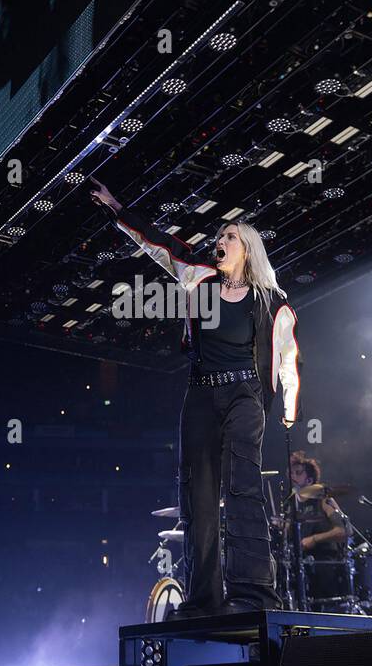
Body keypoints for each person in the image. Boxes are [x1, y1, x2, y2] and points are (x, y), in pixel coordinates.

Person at [90, 178, 300, 617]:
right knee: (198, 496)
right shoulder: (198, 279)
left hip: (245, 394)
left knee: (244, 487)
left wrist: (290, 408)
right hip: (202, 393)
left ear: (248, 250)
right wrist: (118, 209)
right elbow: (159, 244)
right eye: (219, 235)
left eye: (230, 237)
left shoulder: (271, 302)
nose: (220, 241)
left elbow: (287, 358)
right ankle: (205, 598)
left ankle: (254, 594)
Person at [288, 451, 349, 605]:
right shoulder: (291, 506)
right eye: (290, 472)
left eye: (298, 473)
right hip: (300, 567)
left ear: (309, 480)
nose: (292, 476)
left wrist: (315, 539)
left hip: (325, 565)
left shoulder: (324, 500)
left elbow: (344, 531)